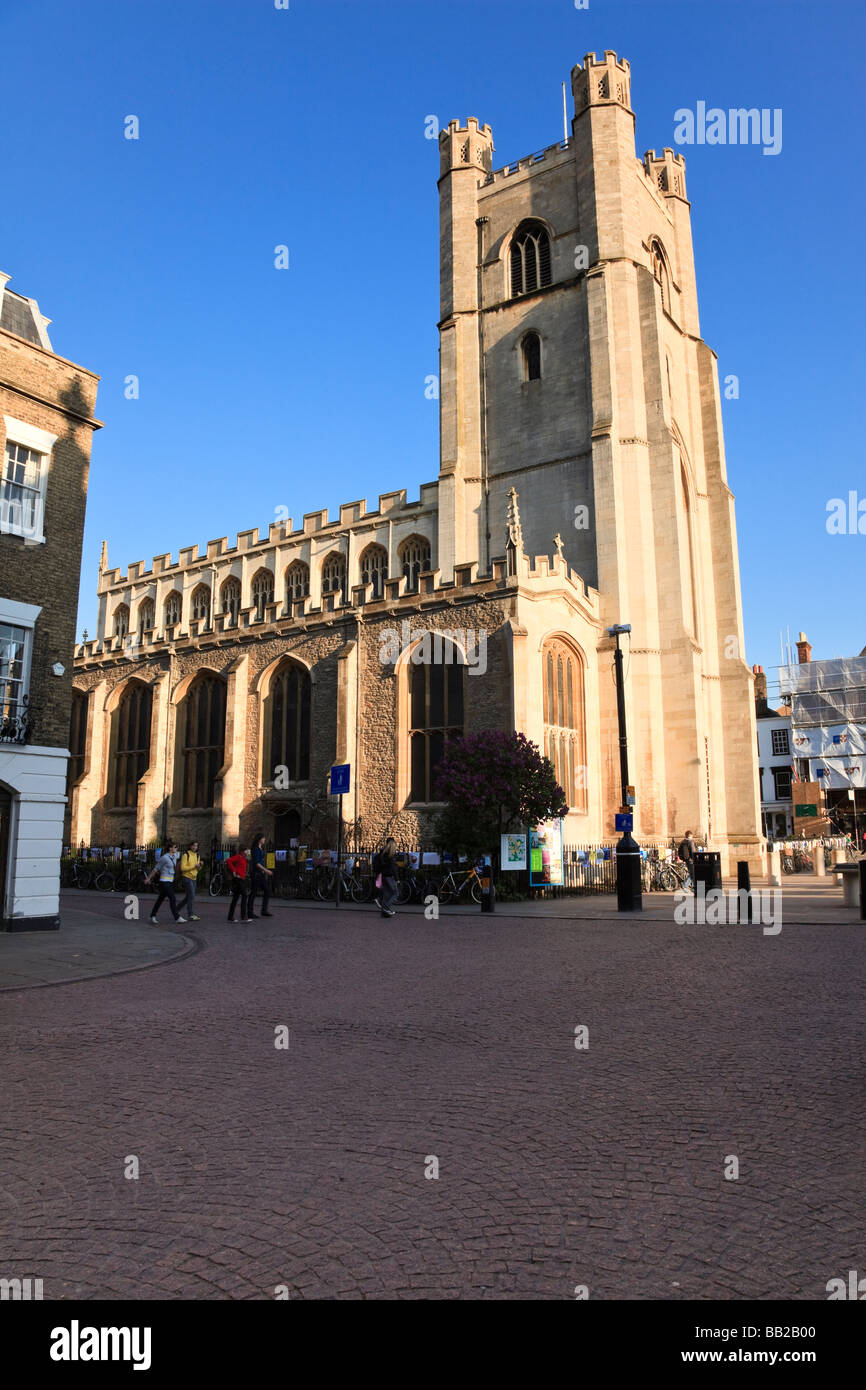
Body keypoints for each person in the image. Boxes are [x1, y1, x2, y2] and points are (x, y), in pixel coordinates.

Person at [146, 842, 186, 924]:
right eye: (175, 847)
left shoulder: (175, 855)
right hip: (164, 881)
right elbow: (156, 869)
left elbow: (183, 854)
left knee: (160, 899)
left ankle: (152, 916)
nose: (177, 848)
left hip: (170, 881)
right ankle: (177, 917)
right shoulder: (164, 858)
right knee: (172, 898)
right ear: (170, 848)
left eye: (176, 847)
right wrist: (148, 878)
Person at [249, 832, 274, 918]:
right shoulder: (255, 849)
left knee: (267, 891)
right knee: (253, 893)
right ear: (259, 839)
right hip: (256, 874)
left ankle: (264, 910)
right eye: (263, 838)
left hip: (261, 874)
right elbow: (256, 863)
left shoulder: (260, 848)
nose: (264, 839)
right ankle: (250, 912)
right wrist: (266, 870)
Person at [225, 845, 252, 923]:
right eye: (246, 850)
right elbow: (228, 860)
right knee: (244, 895)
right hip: (238, 879)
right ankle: (243, 916)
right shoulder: (238, 857)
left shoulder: (244, 858)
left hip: (241, 879)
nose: (248, 852)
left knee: (235, 898)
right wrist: (233, 870)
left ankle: (230, 916)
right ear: (242, 851)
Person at [178, 840, 203, 921]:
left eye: (196, 846)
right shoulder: (186, 855)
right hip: (186, 877)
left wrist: (200, 866)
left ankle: (176, 909)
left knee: (188, 897)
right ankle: (190, 914)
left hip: (194, 878)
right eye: (193, 846)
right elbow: (183, 868)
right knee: (191, 896)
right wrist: (194, 866)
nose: (195, 847)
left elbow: (198, 869)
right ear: (190, 846)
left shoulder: (197, 855)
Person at [378, 837, 399, 918]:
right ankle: (386, 908)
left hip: (383, 875)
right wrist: (397, 879)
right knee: (395, 893)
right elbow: (394, 868)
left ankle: (384, 912)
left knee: (386, 894)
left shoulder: (383, 854)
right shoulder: (391, 856)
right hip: (389, 876)